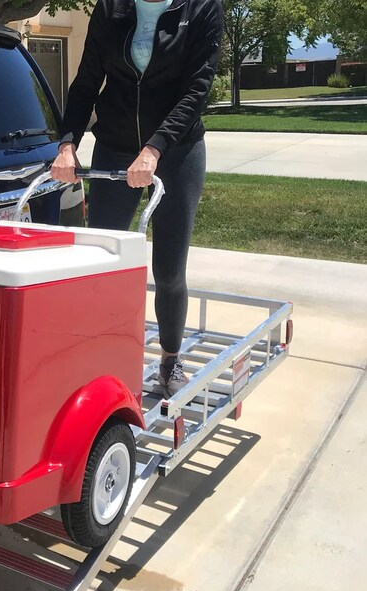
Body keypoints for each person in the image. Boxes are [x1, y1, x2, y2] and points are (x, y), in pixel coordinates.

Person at [51, 0, 223, 397]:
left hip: (177, 150)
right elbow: (87, 78)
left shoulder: (201, 9)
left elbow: (197, 88)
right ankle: (101, 354)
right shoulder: (111, 8)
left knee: (167, 268)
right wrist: (67, 142)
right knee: (103, 262)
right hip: (115, 145)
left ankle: (170, 359)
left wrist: (155, 148)